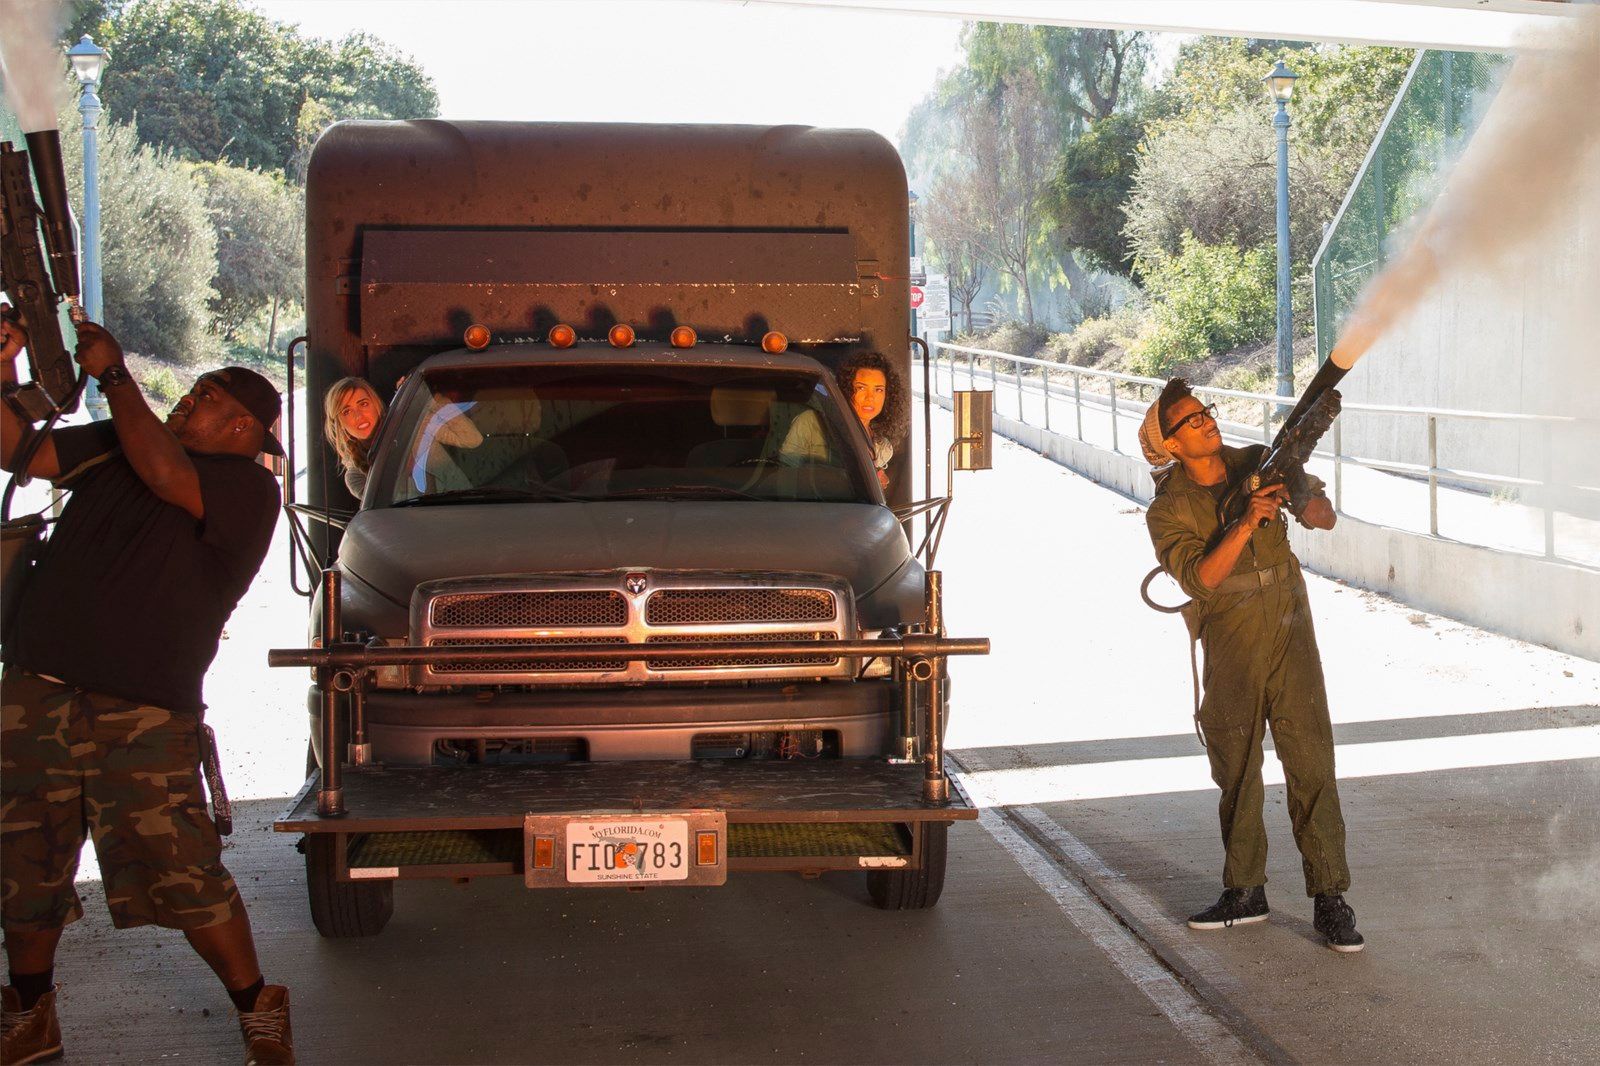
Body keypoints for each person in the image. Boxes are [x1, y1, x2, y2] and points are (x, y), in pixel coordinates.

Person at [0, 305, 296, 1062]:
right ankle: (32, 1013)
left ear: (244, 431)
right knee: (24, 864)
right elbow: (17, 452)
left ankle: (256, 1003)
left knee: (184, 870)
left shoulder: (246, 490)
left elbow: (167, 472)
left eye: (208, 402)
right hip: (38, 689)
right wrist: (5, 369)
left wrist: (115, 374)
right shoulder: (117, 446)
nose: (188, 404)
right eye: (190, 392)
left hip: (143, 713)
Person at [1141, 377, 1362, 953]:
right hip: (1231, 626)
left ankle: (1330, 898)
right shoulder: (1167, 509)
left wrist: (1292, 490)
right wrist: (1245, 521)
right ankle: (1245, 891)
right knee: (1237, 761)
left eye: (1205, 412)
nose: (1205, 422)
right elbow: (1198, 578)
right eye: (1190, 421)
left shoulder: (1260, 462)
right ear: (1169, 444)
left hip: (1289, 615)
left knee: (1310, 754)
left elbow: (1324, 518)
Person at [779, 351, 902, 489]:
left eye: (878, 390)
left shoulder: (882, 446)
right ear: (846, 389)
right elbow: (785, 477)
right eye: (861, 388)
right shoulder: (810, 422)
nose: (870, 398)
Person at [324, 375, 383, 498]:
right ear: (339, 424)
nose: (358, 416)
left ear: (376, 404)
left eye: (363, 404)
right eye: (347, 412)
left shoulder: (411, 428)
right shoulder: (355, 476)